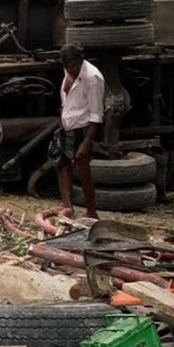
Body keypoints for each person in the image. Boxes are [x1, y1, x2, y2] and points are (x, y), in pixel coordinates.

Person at [51, 44, 104, 219]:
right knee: (61, 165)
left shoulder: (93, 77)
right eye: (66, 66)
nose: (69, 69)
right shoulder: (69, 69)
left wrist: (86, 143)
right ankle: (68, 208)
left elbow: (96, 114)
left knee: (82, 170)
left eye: (72, 66)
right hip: (67, 123)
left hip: (82, 127)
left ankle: (91, 211)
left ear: (80, 61)